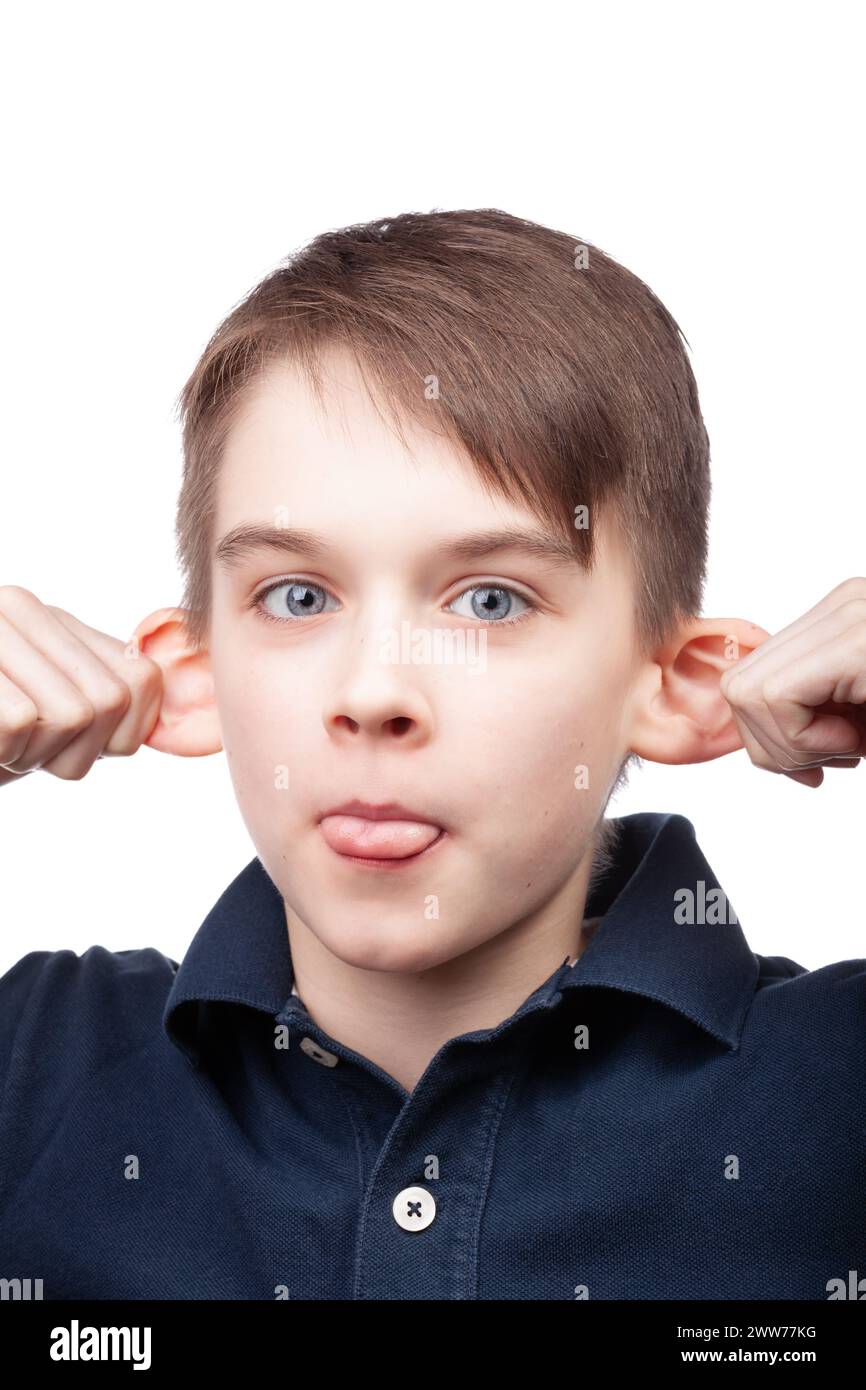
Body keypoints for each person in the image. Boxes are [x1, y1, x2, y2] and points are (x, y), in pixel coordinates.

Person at [1, 209, 864, 1300]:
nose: (373, 692)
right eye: (297, 595)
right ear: (192, 675)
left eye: (490, 600)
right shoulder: (38, 1064)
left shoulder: (835, 1087)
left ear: (673, 686)